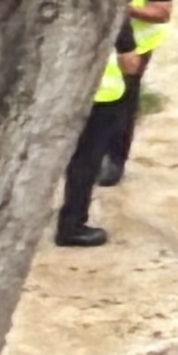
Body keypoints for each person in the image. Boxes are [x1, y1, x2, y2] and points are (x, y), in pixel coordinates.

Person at [97, 0, 175, 188]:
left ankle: (115, 160)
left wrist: (120, 7)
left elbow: (161, 12)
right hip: (98, 41)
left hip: (137, 46)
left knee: (123, 103)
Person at [55, 27, 134, 248]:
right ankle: (72, 227)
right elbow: (114, 17)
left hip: (59, 88)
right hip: (100, 92)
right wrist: (127, 46)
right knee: (85, 161)